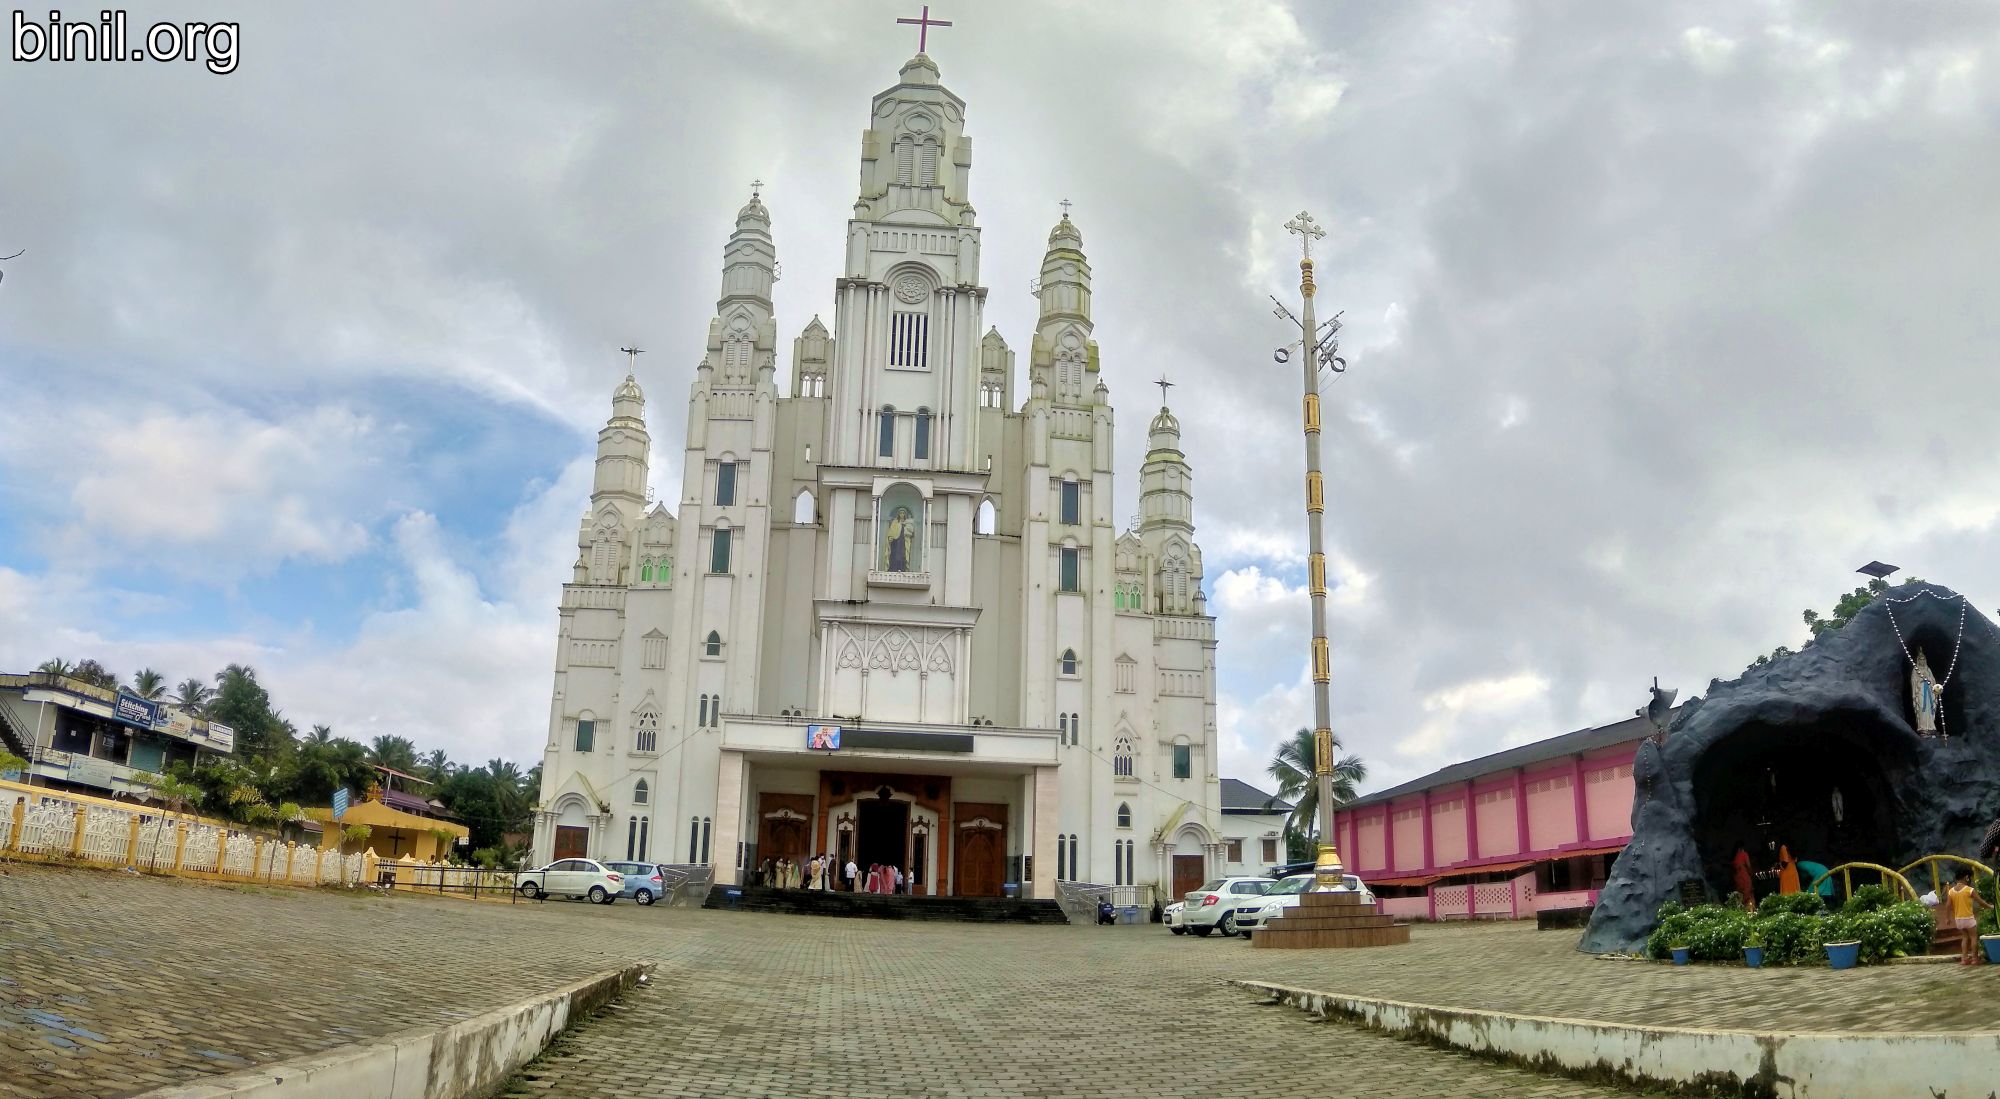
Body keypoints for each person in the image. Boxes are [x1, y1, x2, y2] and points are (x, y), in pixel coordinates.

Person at [1946, 868, 1992, 965]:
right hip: (1969, 918)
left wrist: (1947, 918)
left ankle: (1964, 959)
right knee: (1974, 937)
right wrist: (1990, 907)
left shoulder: (1950, 891)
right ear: (1966, 877)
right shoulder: (1969, 890)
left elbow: (1948, 906)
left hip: (1958, 919)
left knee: (1965, 937)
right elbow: (1981, 902)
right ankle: (1975, 959)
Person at [1732, 842, 1757, 911]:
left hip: (1737, 877)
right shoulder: (1744, 854)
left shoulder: (1735, 856)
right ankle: (1751, 910)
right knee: (1748, 892)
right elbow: (1748, 865)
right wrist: (1752, 874)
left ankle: (1741, 910)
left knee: (1740, 893)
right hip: (1744, 875)